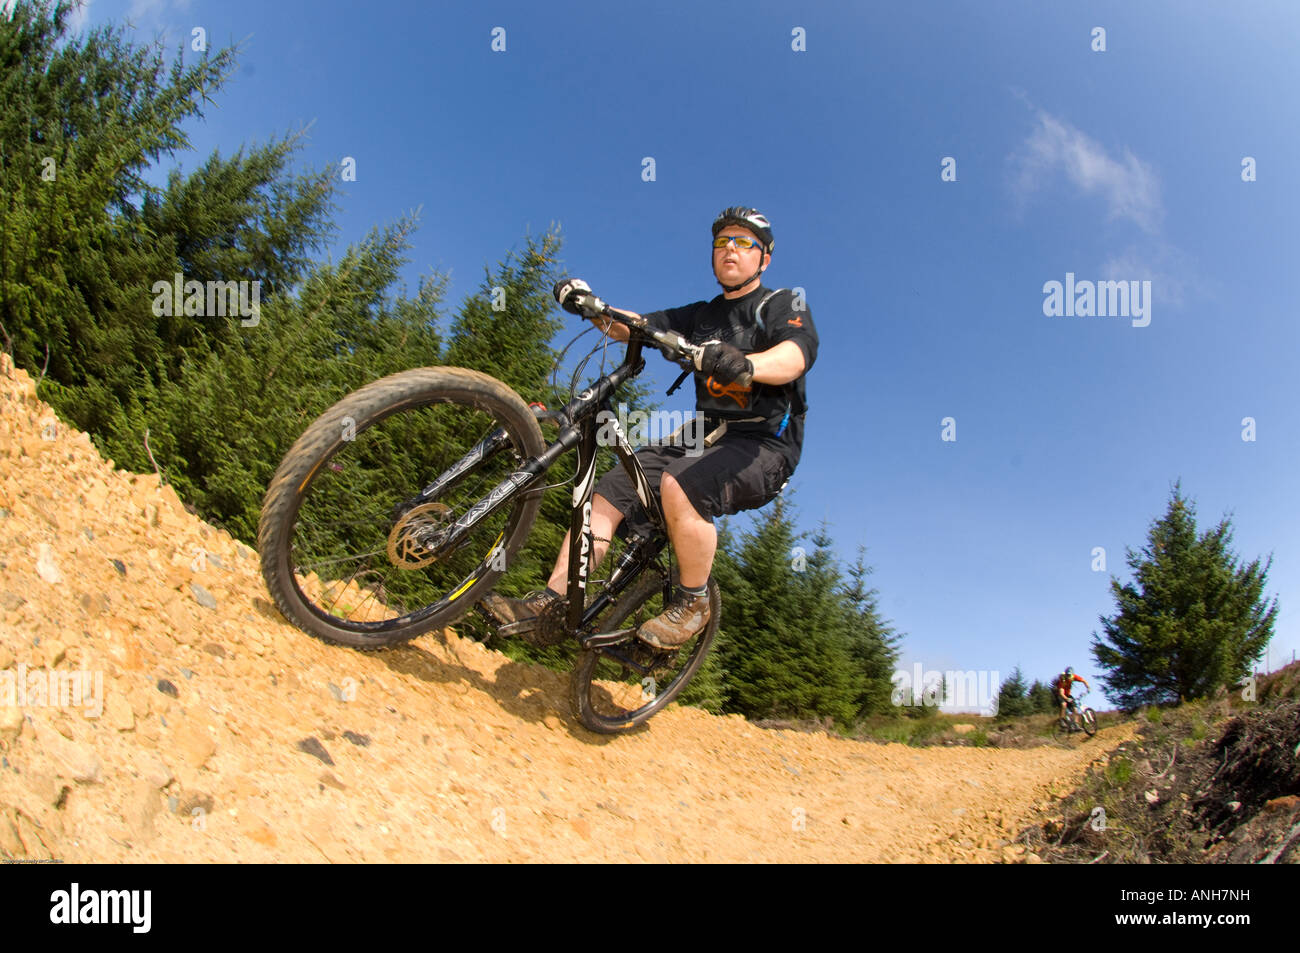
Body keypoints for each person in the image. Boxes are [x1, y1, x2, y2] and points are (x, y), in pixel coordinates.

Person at [481, 206, 818, 649]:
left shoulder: (781, 303)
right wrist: (591, 306)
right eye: (722, 242)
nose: (730, 249)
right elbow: (634, 327)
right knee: (613, 488)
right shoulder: (702, 315)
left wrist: (746, 363)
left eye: (743, 242)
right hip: (705, 435)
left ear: (764, 259)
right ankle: (551, 601)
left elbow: (797, 354)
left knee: (682, 484)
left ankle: (693, 602)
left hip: (764, 444)